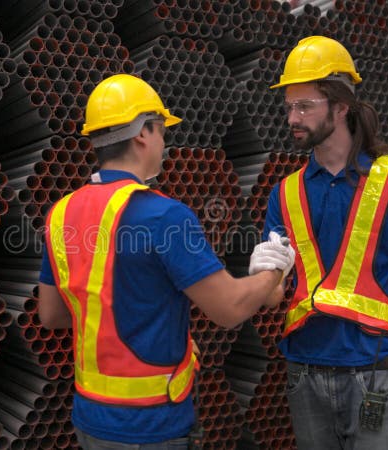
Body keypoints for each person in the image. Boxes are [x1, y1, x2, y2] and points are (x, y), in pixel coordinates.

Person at [37, 73, 295, 449]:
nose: (164, 141)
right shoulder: (164, 217)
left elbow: (53, 315)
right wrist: (274, 268)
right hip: (151, 427)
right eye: (161, 130)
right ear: (143, 133)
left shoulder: (60, 214)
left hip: (89, 420)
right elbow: (229, 308)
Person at [256, 36, 388, 449]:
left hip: (374, 370)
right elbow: (274, 297)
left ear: (341, 107)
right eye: (289, 106)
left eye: (305, 106)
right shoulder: (284, 193)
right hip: (304, 371)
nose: (294, 117)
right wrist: (262, 276)